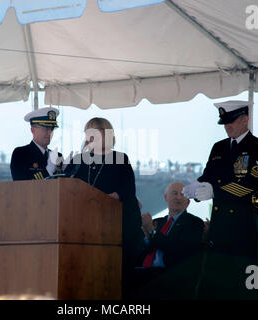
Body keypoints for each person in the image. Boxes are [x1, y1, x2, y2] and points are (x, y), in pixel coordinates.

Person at [183, 100, 258, 299]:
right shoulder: (219, 148)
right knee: (211, 291)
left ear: (245, 119)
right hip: (219, 231)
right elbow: (208, 176)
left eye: (231, 121)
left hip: (246, 232)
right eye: (224, 123)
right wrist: (197, 188)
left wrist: (214, 191)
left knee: (248, 291)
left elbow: (250, 186)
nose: (227, 126)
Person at [63, 117, 144, 298]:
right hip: (87, 228)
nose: (91, 136)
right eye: (88, 131)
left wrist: (105, 199)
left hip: (118, 227)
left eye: (96, 131)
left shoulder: (120, 159)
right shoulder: (79, 159)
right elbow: (66, 183)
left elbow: (128, 190)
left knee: (119, 280)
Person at [131, 182, 204, 299]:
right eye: (175, 193)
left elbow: (177, 249)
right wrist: (146, 235)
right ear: (166, 198)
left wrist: (152, 232)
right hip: (148, 271)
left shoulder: (194, 223)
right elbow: (142, 253)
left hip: (172, 275)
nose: (179, 197)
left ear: (188, 202)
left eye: (183, 194)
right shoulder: (157, 222)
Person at [10, 107, 63, 181]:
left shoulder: (58, 156)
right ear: (33, 130)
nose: (49, 132)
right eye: (46, 128)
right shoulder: (21, 154)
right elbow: (21, 185)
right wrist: (48, 173)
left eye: (52, 129)